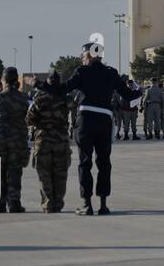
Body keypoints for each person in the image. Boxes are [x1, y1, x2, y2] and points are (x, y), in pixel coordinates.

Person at [64, 37, 142, 215]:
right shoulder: (111, 73)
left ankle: (87, 204)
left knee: (85, 163)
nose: (81, 58)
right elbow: (129, 96)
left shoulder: (82, 71)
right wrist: (138, 91)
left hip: (86, 121)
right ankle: (103, 204)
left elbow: (65, 88)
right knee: (104, 163)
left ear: (89, 55)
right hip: (105, 122)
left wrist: (44, 86)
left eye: (83, 55)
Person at [26, 71, 73, 212]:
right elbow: (74, 106)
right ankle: (58, 203)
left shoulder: (39, 99)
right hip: (61, 140)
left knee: (44, 174)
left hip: (43, 140)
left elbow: (29, 120)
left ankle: (48, 203)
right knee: (60, 174)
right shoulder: (66, 98)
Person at [0, 67, 30, 213]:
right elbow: (28, 117)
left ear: (3, 81)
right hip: (17, 140)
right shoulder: (23, 98)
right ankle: (14, 203)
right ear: (17, 80)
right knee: (15, 172)